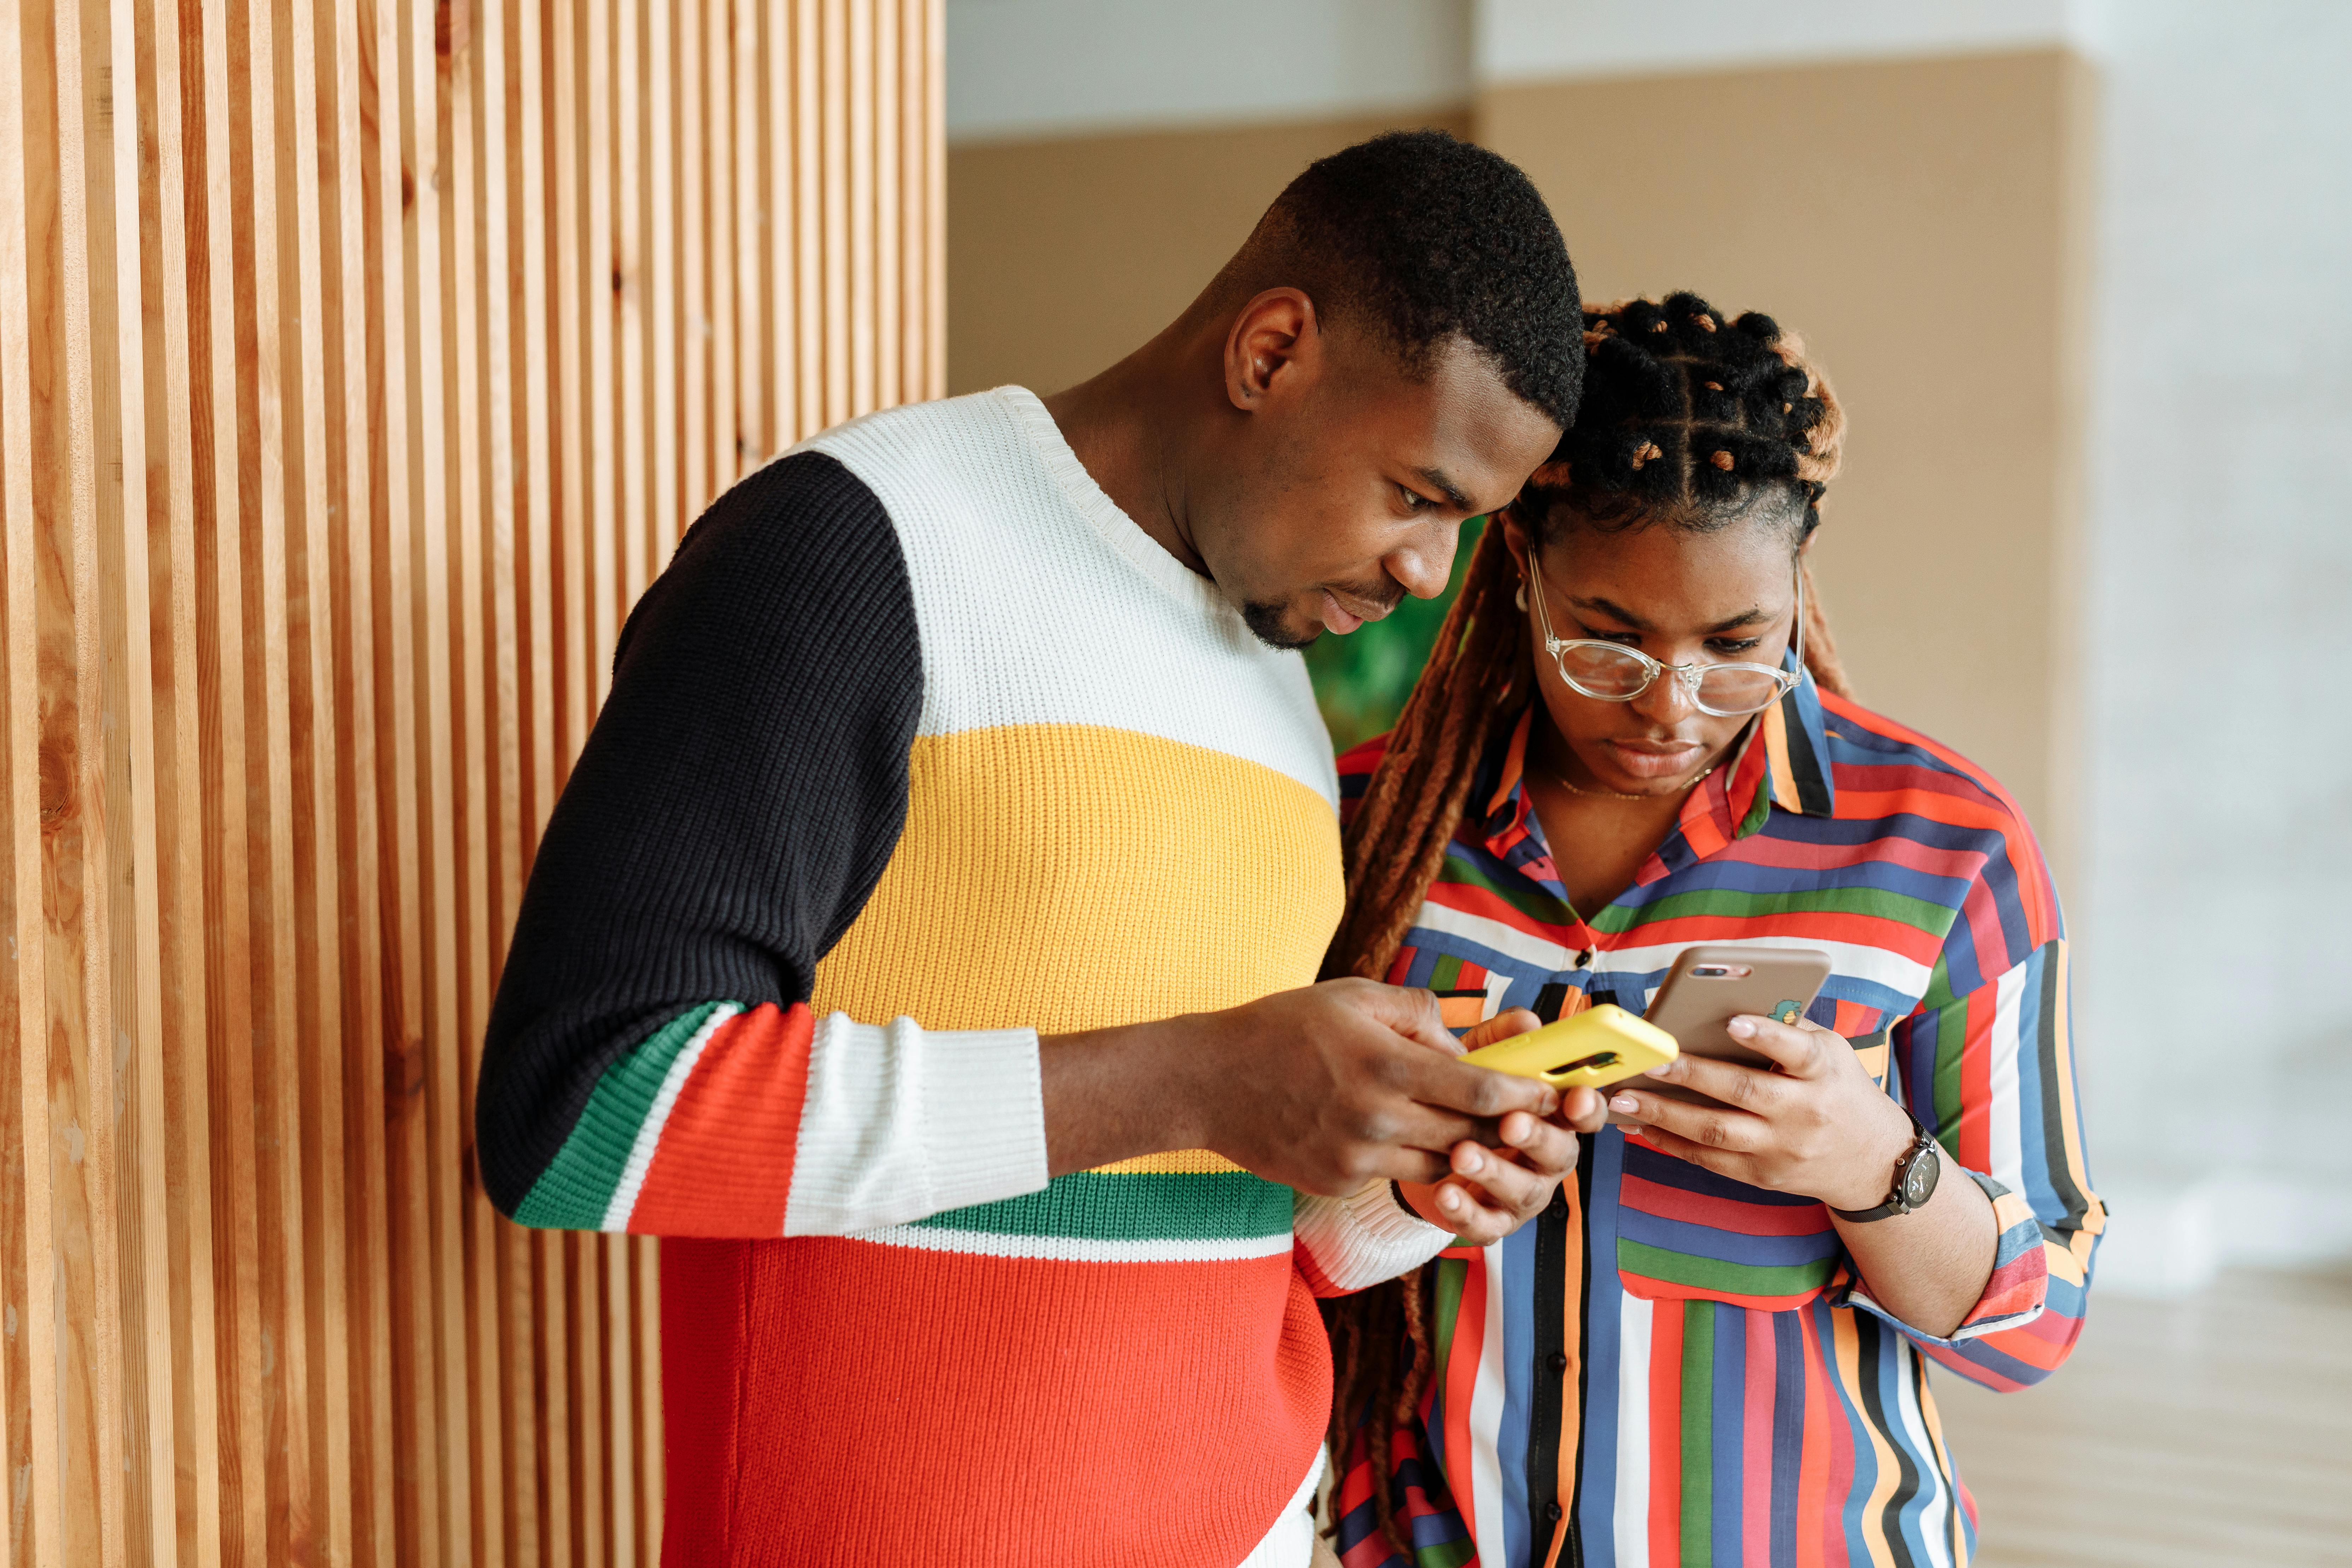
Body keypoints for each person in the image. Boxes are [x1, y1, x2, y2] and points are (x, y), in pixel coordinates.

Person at [475, 131, 1606, 1567]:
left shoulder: (1275, 683)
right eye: (1418, 494)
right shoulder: (854, 550)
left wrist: (1401, 1185)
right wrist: (1193, 1070)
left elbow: (1224, 1221)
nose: (1424, 573)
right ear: (1270, 354)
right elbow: (580, 1118)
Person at [1322, 294, 2106, 1568]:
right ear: (1520, 567)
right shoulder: (1372, 828)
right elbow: (1265, 1227)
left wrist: (1876, 1166)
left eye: (1738, 647)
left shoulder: (1946, 850)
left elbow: (2039, 1330)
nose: (1670, 711)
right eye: (1608, 645)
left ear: (1794, 586)